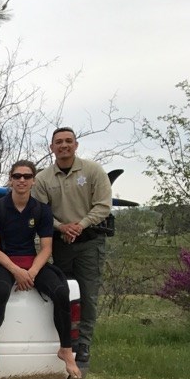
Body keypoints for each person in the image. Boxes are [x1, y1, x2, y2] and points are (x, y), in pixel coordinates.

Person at [0, 162, 82, 379]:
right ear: (10, 179)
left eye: (27, 176)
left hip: (31, 262)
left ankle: (65, 349)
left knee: (61, 292)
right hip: (2, 262)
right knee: (0, 291)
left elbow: (46, 248)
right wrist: (16, 271)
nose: (22, 180)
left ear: (34, 181)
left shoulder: (41, 210)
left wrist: (32, 272)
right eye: (17, 176)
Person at [32, 127, 113, 364]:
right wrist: (61, 227)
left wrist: (80, 225)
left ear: (76, 145)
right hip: (61, 244)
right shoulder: (43, 178)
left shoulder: (93, 171)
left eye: (68, 141)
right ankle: (65, 340)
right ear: (52, 147)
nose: (64, 145)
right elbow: (40, 211)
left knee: (87, 294)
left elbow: (103, 205)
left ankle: (83, 344)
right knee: (63, 293)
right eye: (59, 142)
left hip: (90, 242)